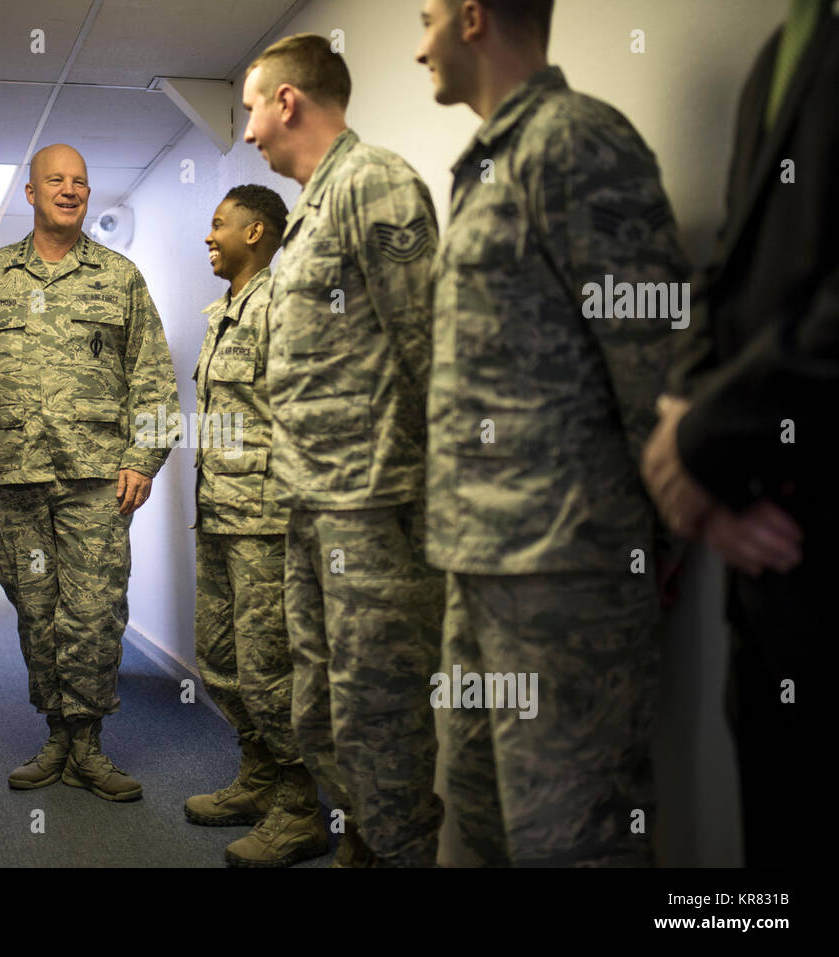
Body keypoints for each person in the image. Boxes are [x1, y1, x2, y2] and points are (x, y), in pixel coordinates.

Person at [416, 0, 688, 865]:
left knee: (575, 839)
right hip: (480, 563)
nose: (418, 46)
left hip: (566, 572)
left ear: (471, 18)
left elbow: (658, 361)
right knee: (480, 816)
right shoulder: (487, 164)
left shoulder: (575, 141)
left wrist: (659, 544)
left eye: (425, 20)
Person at [0, 143, 178, 803]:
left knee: (93, 611)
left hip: (98, 485)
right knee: (37, 610)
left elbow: (153, 378)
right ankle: (57, 733)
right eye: (55, 180)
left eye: (81, 182)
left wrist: (143, 458)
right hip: (19, 484)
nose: (70, 189)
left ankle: (88, 744)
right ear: (30, 193)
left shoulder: (120, 277)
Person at [241, 34, 444, 867]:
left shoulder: (375, 185)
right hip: (311, 501)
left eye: (251, 107)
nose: (248, 130)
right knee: (319, 710)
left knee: (380, 717)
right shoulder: (310, 210)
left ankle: (394, 851)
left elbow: (431, 345)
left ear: (288, 101)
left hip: (375, 508)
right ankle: (362, 842)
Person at [642, 0, 836, 868]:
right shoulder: (780, 47)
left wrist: (697, 446)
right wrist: (687, 433)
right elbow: (723, 276)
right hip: (759, 540)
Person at [184, 185, 324, 867]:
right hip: (218, 515)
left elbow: (305, 415)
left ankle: (301, 809)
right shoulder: (224, 313)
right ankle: (259, 778)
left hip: (268, 524)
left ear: (256, 230)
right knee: (218, 661)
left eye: (218, 225)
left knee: (270, 672)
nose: (208, 236)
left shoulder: (284, 304)